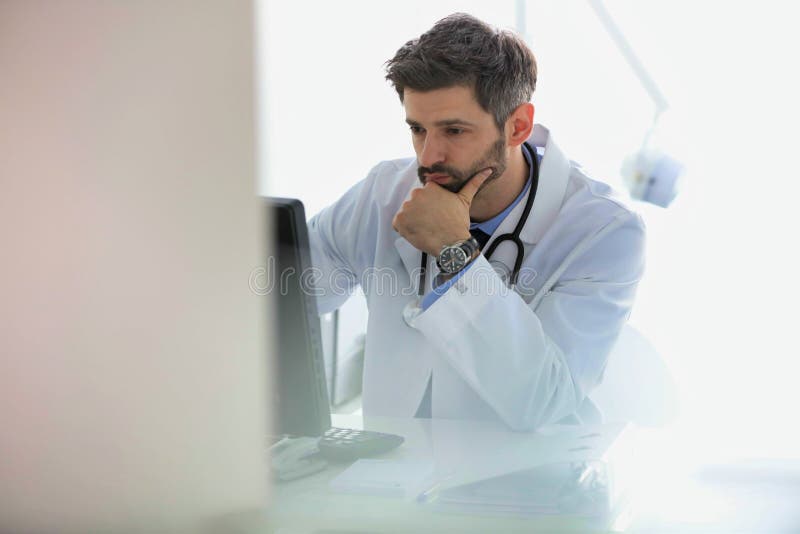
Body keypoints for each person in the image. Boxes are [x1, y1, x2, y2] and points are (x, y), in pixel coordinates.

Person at [307, 13, 645, 431]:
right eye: (418, 129)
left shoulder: (604, 230)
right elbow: (287, 300)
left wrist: (457, 253)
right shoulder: (382, 193)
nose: (428, 156)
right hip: (394, 462)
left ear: (518, 126)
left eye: (454, 131)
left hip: (532, 467)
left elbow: (543, 400)